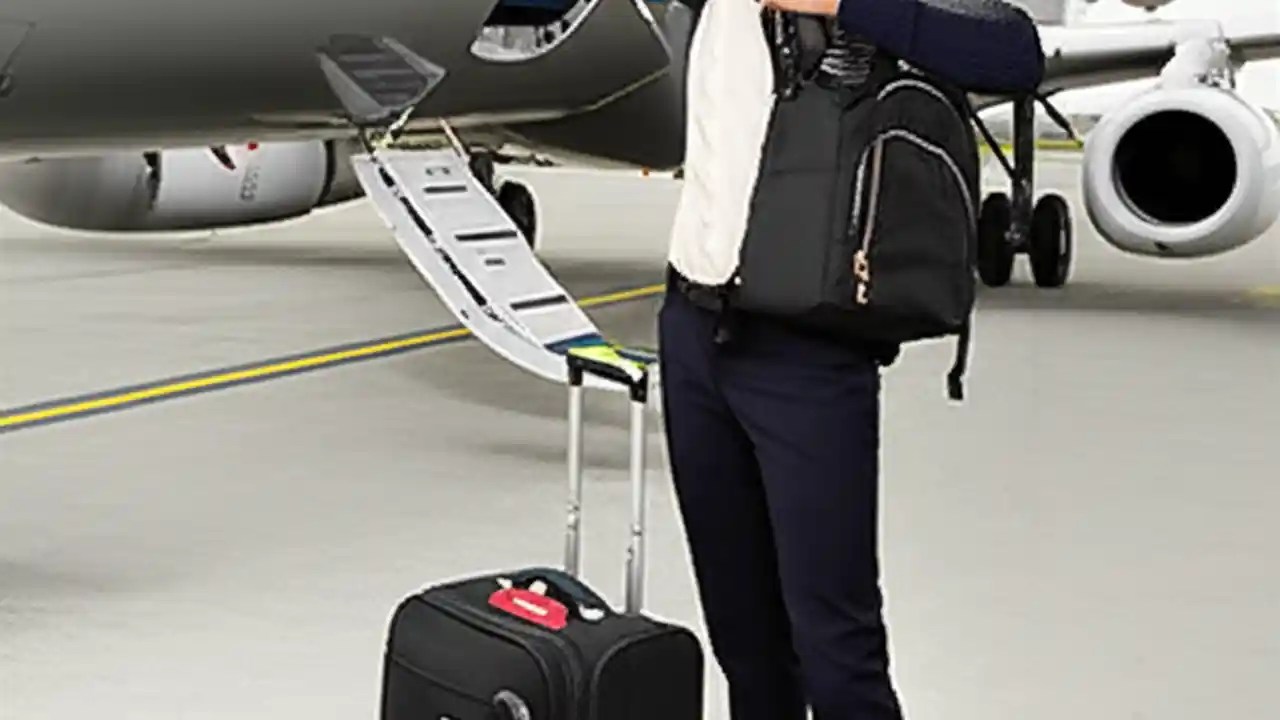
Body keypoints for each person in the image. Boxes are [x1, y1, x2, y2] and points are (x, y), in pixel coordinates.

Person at [658, 1, 1044, 719]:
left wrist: (843, 5)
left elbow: (1014, 53)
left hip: (806, 351)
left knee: (837, 651)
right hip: (692, 327)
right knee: (746, 645)